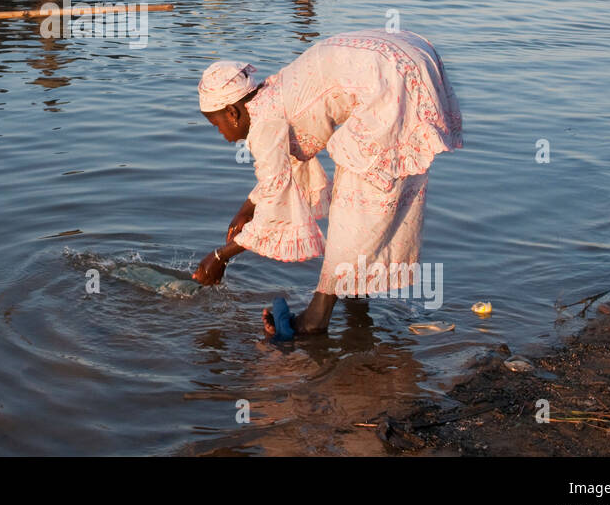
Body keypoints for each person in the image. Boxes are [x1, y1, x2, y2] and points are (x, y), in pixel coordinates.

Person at [193, 30, 463, 338]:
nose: (221, 134)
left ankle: (315, 319)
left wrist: (219, 257)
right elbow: (279, 178)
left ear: (233, 111)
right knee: (375, 187)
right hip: (408, 58)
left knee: (355, 204)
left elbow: (276, 201)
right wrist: (247, 209)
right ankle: (355, 293)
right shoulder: (272, 94)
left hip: (392, 78)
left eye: (217, 125)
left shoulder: (264, 122)